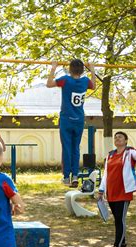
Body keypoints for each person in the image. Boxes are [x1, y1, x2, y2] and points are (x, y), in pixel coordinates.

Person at [98, 131, 136, 247]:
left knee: (120, 219)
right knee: (117, 219)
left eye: (120, 137)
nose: (117, 139)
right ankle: (122, 242)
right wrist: (101, 190)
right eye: (115, 137)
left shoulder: (130, 152)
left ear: (125, 141)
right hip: (111, 191)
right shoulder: (110, 155)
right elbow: (106, 174)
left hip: (123, 191)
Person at [47, 59, 96, 188]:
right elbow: (94, 85)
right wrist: (92, 68)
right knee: (75, 148)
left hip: (66, 119)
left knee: (67, 148)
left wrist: (53, 68)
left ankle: (66, 177)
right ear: (82, 70)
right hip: (79, 119)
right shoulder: (85, 81)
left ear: (70, 69)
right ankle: (75, 175)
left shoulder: (65, 80)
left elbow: (49, 84)